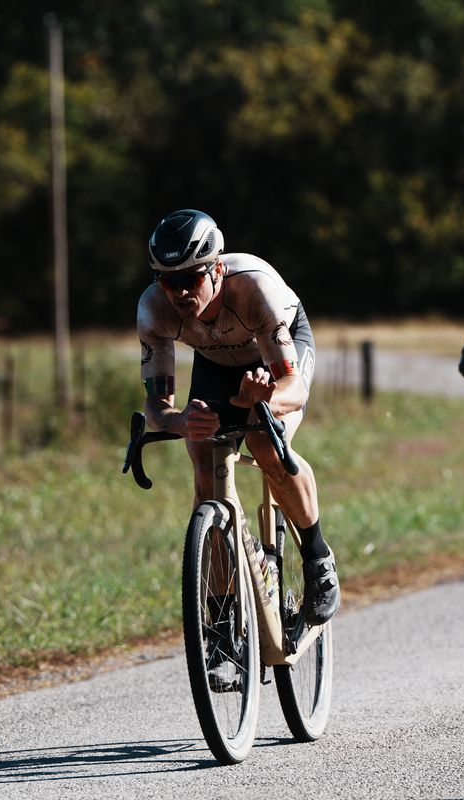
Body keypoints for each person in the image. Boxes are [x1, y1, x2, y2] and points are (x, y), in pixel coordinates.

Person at [137, 209, 341, 645]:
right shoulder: (154, 310)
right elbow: (157, 408)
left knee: (265, 443)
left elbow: (293, 387)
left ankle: (318, 559)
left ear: (216, 270)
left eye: (190, 278)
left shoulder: (253, 288)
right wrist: (180, 420)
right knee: (205, 470)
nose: (180, 292)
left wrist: (262, 401)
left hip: (276, 357)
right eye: (168, 281)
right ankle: (221, 621)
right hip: (215, 366)